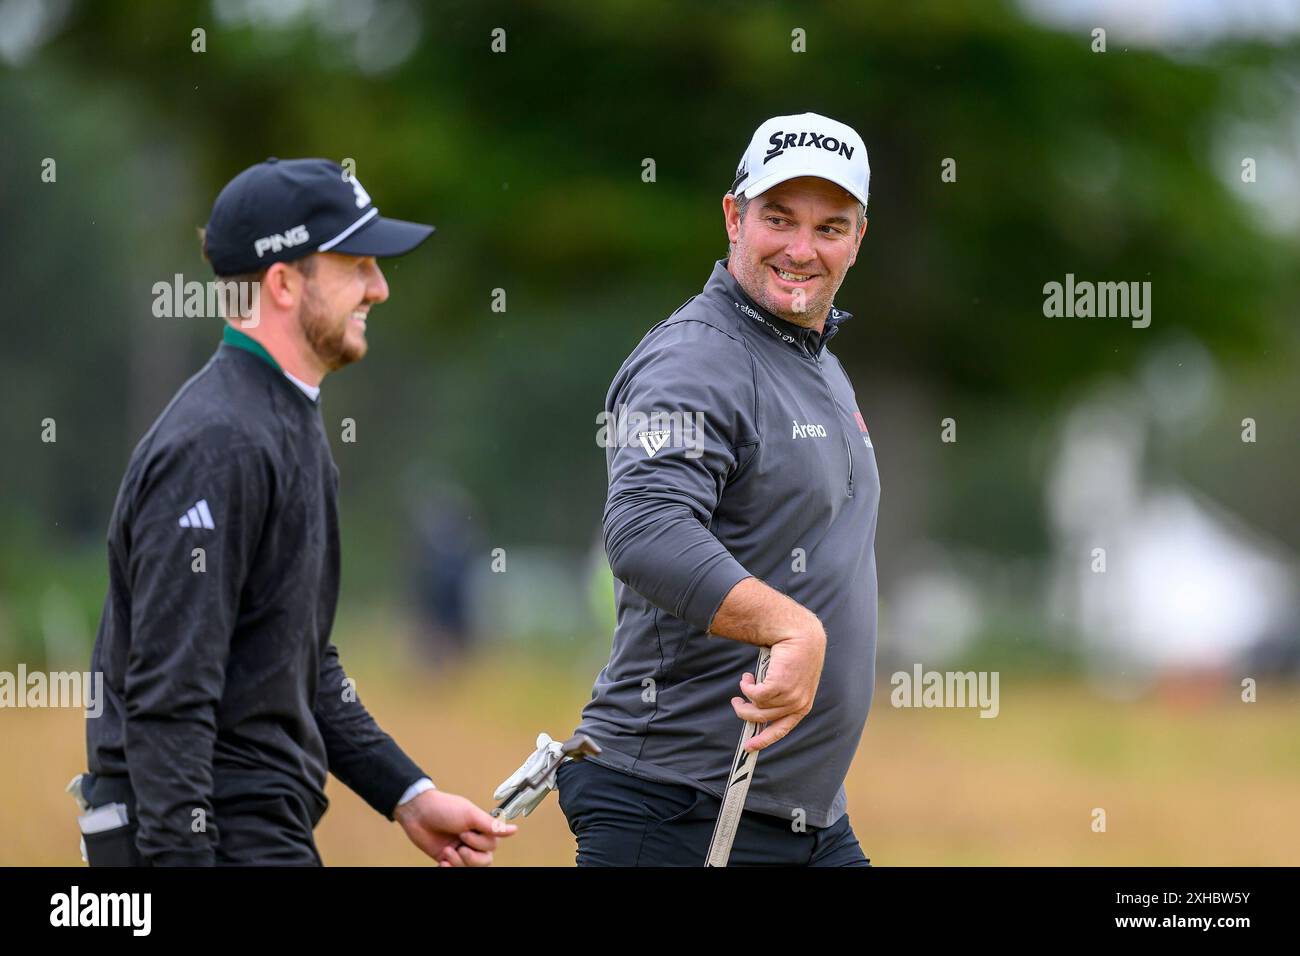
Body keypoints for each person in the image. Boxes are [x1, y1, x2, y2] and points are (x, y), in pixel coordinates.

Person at [80, 158, 515, 866]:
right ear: (283, 281)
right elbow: (170, 699)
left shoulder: (286, 424)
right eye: (357, 265)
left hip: (257, 828)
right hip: (213, 836)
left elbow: (299, 660)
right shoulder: (217, 444)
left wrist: (405, 791)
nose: (379, 287)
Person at [560, 114, 880, 865]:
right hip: (680, 810)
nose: (802, 250)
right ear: (734, 217)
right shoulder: (696, 358)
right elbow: (643, 527)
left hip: (800, 820)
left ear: (858, 239)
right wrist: (792, 627)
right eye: (778, 219)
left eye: (830, 226)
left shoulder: (815, 357)